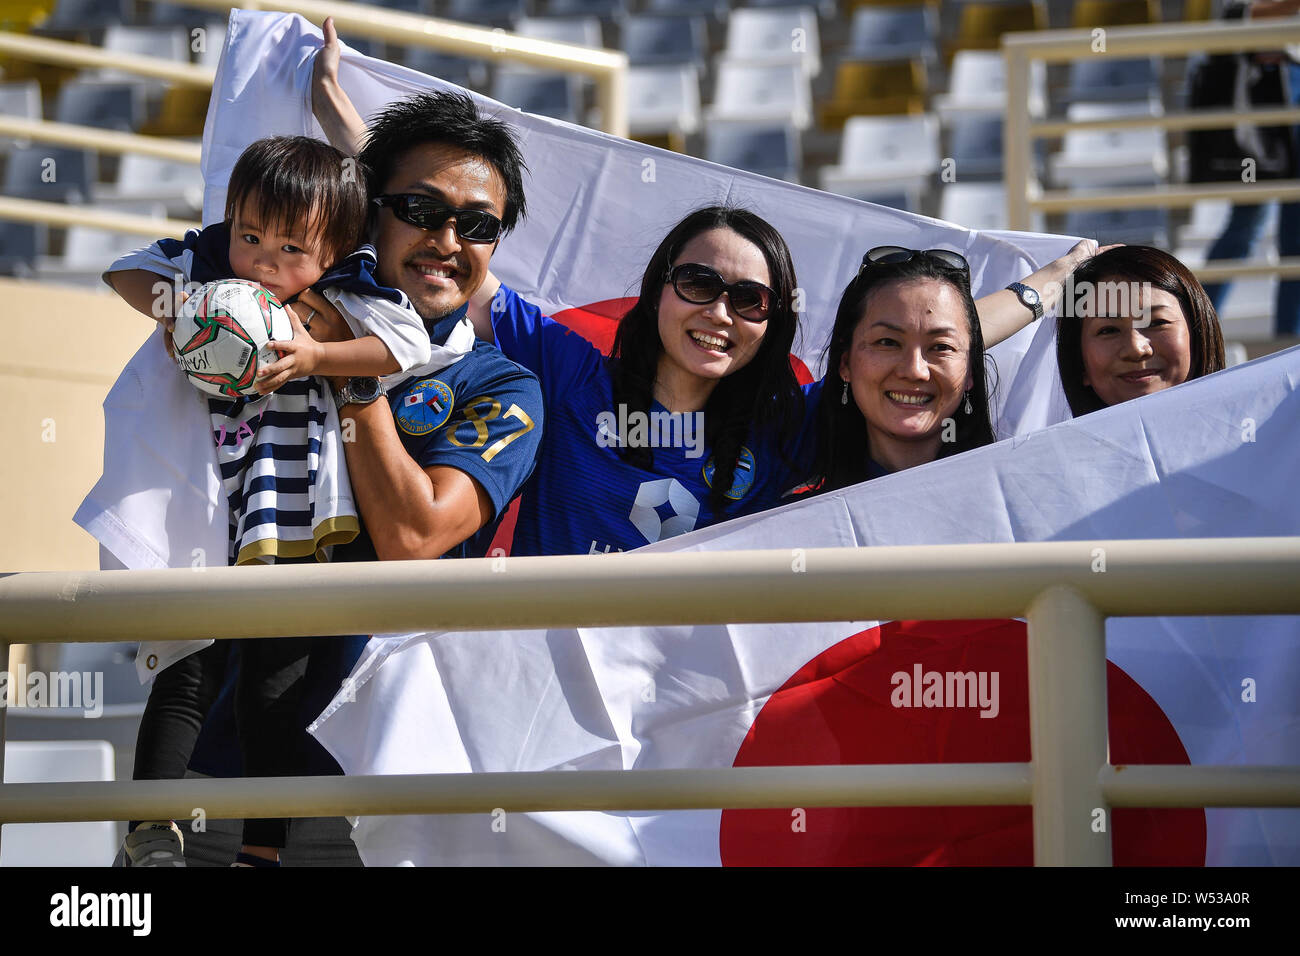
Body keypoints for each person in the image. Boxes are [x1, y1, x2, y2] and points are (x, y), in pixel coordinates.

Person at [310, 16, 1102, 559]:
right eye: (697, 283)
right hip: (543, 694)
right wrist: (341, 121)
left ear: (772, 322)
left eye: (749, 300)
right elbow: (437, 240)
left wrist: (1047, 286)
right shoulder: (561, 367)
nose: (719, 313)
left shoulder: (787, 424)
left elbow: (927, 345)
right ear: (657, 291)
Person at [103, 91, 546, 866]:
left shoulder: (503, 386)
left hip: (379, 792)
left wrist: (343, 364)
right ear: (366, 215)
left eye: (477, 224)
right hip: (204, 777)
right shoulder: (243, 298)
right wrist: (202, 320)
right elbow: (144, 280)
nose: (447, 240)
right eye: (418, 208)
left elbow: (414, 538)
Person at [811, 247, 997, 492]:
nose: (914, 371)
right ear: (845, 364)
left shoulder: (1022, 504)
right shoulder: (792, 517)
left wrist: (1060, 281)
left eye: (941, 346)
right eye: (887, 342)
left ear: (970, 371)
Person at [1198, 0, 1300, 336]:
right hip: (1266, 99)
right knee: (1246, 225)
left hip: (1285, 91)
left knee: (1294, 239)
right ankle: (1198, 327)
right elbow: (1233, 15)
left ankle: (1290, 343)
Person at [1055, 245, 1227, 417]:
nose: (1136, 349)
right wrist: (1057, 272)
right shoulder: (1057, 444)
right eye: (1108, 330)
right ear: (1079, 361)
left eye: (1156, 323)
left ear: (1198, 336)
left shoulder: (1249, 437)